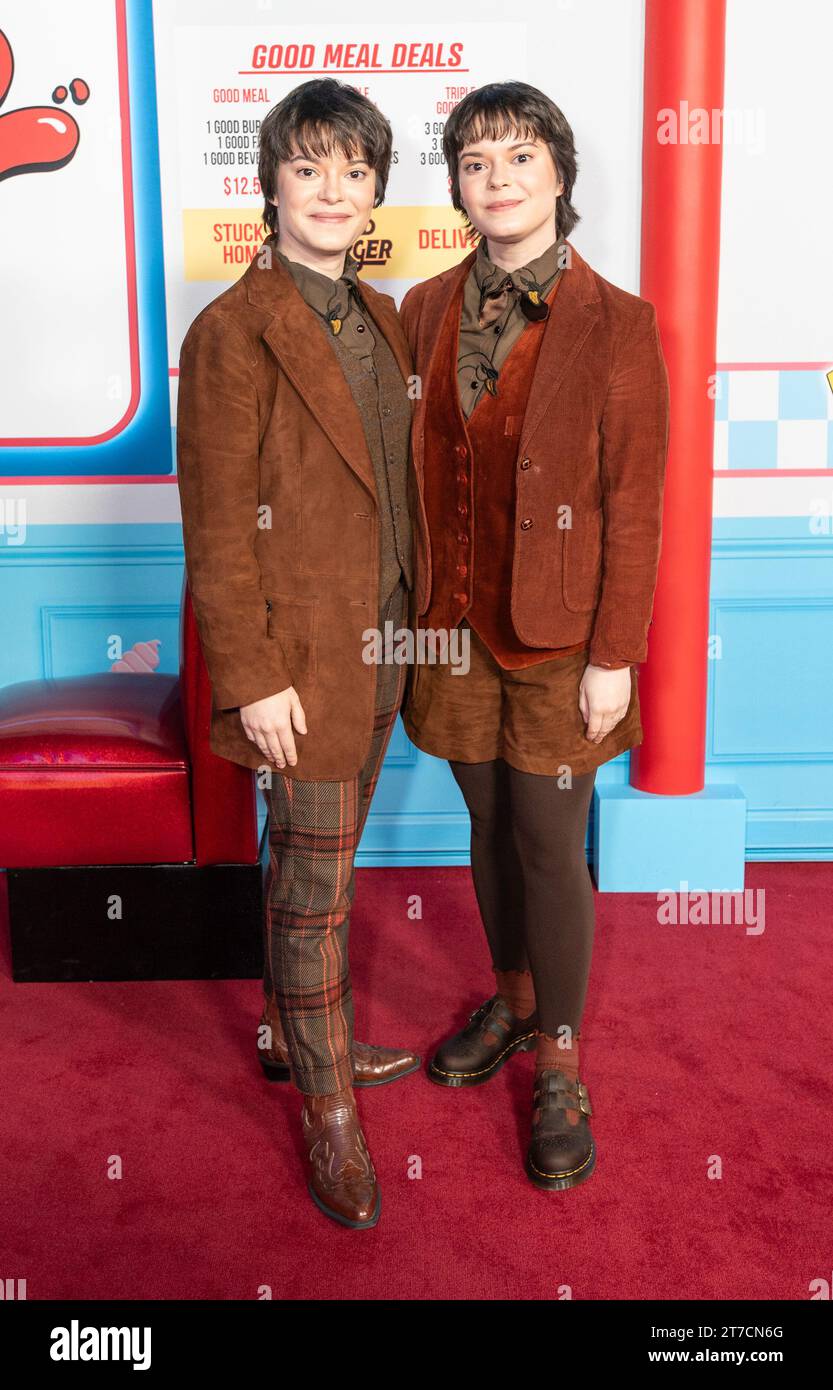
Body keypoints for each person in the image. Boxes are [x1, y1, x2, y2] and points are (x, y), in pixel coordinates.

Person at [399, 81, 670, 1190]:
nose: (495, 177)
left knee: (550, 842)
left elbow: (635, 501)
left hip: (562, 638)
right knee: (487, 825)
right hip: (449, 628)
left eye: (517, 156)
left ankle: (558, 1054)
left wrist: (614, 653)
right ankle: (510, 999)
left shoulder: (621, 322)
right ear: (456, 186)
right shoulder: (418, 307)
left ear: (558, 174)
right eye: (473, 161)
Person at [176, 78, 421, 1230]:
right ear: (266, 184)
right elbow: (217, 527)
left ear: (374, 189)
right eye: (310, 167)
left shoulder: (374, 313)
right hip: (298, 667)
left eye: (354, 171)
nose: (333, 190)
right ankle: (328, 1118)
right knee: (317, 900)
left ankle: (287, 1034)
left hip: (383, 651)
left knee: (317, 874)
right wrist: (254, 678)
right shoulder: (230, 330)